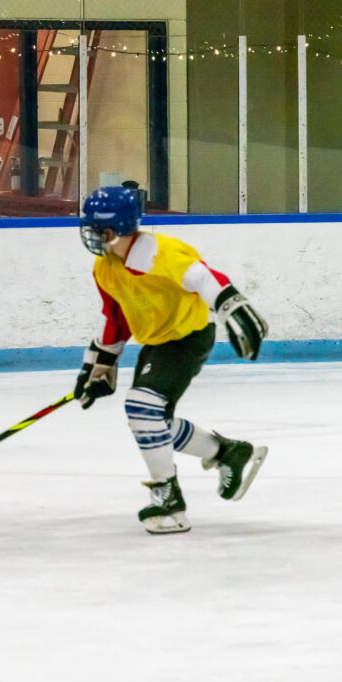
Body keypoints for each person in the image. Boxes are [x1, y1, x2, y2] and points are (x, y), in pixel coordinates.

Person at [74, 184, 269, 534]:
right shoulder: (105, 269)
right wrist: (100, 364)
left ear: (111, 229)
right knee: (154, 421)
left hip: (188, 338)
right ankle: (227, 453)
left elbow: (204, 277)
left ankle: (169, 500)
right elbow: (116, 319)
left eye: (93, 227)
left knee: (141, 408)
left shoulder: (159, 254)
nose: (88, 234)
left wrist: (233, 308)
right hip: (157, 343)